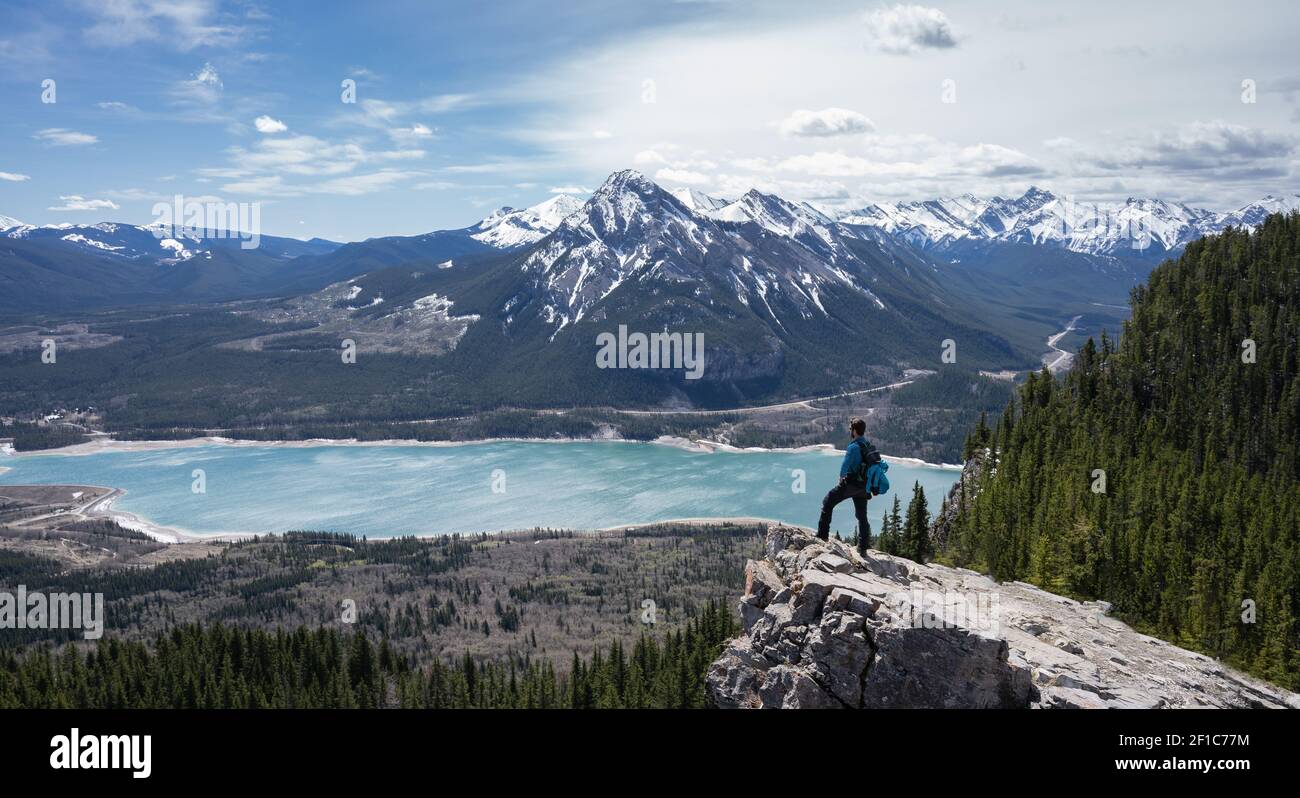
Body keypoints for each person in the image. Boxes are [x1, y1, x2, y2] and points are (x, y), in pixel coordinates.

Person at [816, 418, 879, 550]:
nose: (850, 431)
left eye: (851, 429)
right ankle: (863, 546)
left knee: (828, 502)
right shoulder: (868, 445)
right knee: (862, 516)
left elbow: (845, 465)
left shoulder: (853, 446)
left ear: (855, 431)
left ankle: (822, 536)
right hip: (864, 487)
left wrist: (841, 478)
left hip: (851, 484)